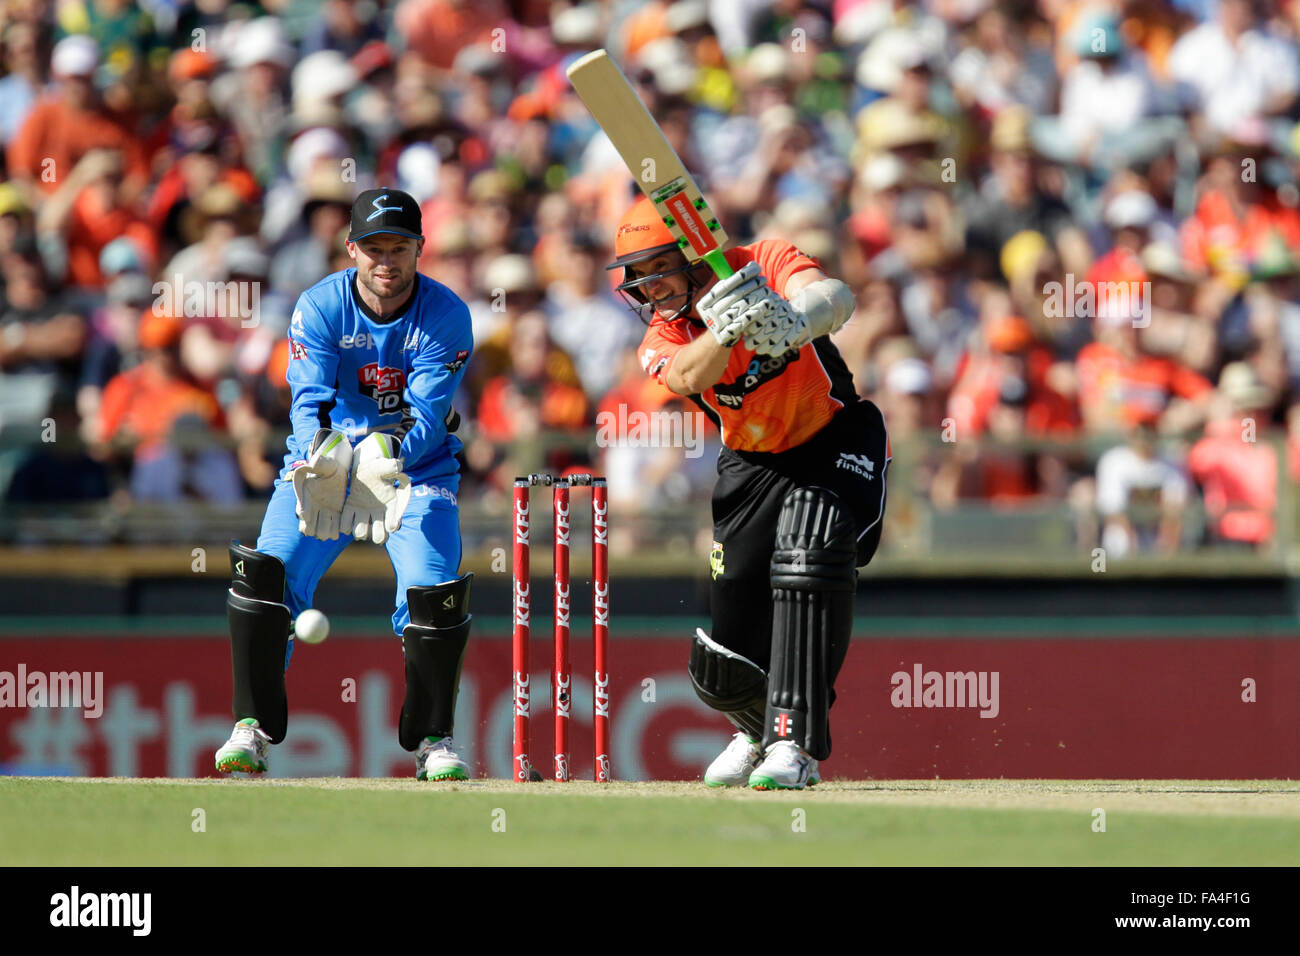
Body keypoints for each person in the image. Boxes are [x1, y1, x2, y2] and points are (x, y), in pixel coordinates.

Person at [609, 196, 889, 790]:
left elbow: (836, 296)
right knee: (727, 646)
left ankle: (795, 743)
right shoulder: (665, 333)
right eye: (638, 281)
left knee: (807, 556)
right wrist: (728, 326)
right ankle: (753, 729)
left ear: (690, 254)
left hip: (832, 435)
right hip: (750, 461)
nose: (648, 292)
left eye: (657, 273)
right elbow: (686, 375)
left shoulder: (760, 258)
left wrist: (794, 319)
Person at [214, 187, 475, 781]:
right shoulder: (319, 305)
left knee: (433, 594)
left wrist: (390, 456)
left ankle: (433, 739)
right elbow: (309, 403)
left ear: (419, 250)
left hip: (415, 470)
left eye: (400, 248)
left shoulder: (446, 313)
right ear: (351, 248)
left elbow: (429, 413)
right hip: (324, 465)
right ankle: (250, 729)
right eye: (374, 248)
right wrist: (324, 458)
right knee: (265, 577)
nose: (387, 262)